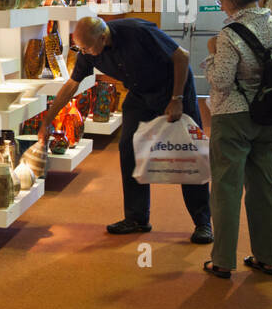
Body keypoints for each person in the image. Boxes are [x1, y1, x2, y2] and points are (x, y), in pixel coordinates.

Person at [39, 15, 212, 243]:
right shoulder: (89, 49)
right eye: (80, 48)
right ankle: (137, 218)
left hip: (173, 89)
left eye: (87, 47)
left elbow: (182, 56)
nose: (85, 52)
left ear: (102, 37)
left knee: (187, 153)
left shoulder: (138, 31)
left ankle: (203, 223)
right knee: (129, 148)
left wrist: (177, 98)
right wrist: (48, 119)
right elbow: (72, 84)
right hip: (140, 94)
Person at [199, 0, 272, 279]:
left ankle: (223, 261)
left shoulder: (231, 33)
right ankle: (268, 258)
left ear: (230, 0)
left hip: (234, 116)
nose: (220, 5)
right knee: (267, 186)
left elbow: (222, 81)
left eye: (220, 0)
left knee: (227, 188)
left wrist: (212, 54)